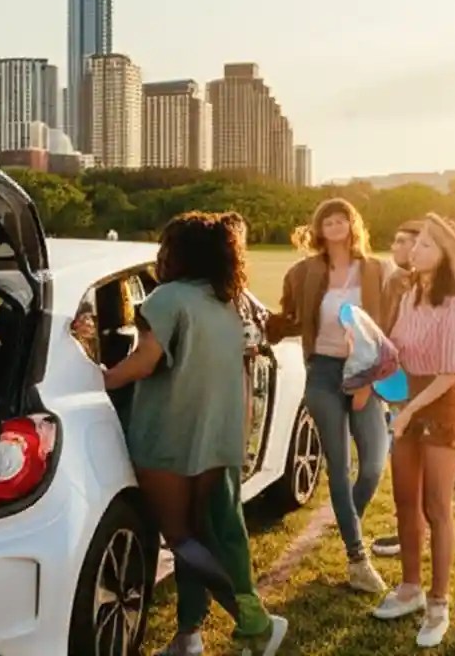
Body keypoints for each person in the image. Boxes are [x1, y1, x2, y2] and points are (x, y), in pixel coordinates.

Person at [103, 211, 287, 656]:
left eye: (167, 248)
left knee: (181, 539)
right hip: (217, 436)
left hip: (168, 434)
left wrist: (97, 378)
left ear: (180, 253)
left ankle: (256, 621)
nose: (161, 255)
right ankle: (189, 636)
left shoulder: (166, 299)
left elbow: (145, 362)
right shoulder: (227, 300)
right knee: (200, 535)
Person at [266, 198, 390, 593]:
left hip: (365, 371)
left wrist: (368, 379)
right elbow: (290, 318)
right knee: (339, 466)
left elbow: (390, 323)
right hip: (322, 371)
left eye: (342, 219)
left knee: (372, 464)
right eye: (327, 220)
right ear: (319, 229)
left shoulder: (375, 270)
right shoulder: (304, 271)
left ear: (353, 225)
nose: (335, 225)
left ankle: (347, 518)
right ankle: (357, 557)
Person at [370, 214, 455, 648]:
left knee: (437, 505)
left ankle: (438, 603)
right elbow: (396, 350)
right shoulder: (409, 294)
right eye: (418, 244)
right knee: (404, 502)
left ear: (448, 257)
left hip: (439, 404)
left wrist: (409, 410)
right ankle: (410, 588)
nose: (416, 250)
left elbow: (451, 372)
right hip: (405, 404)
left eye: (428, 245)